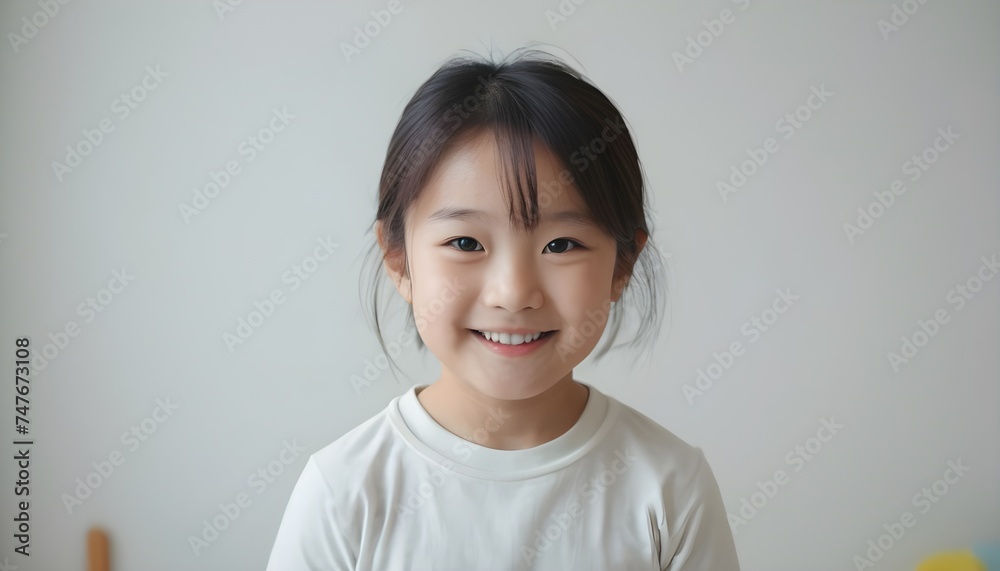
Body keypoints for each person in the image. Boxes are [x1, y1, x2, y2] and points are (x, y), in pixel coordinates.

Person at [265, 46, 741, 570]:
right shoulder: (344, 492)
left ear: (622, 264)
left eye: (561, 245)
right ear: (398, 260)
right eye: (466, 243)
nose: (513, 294)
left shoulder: (671, 489)